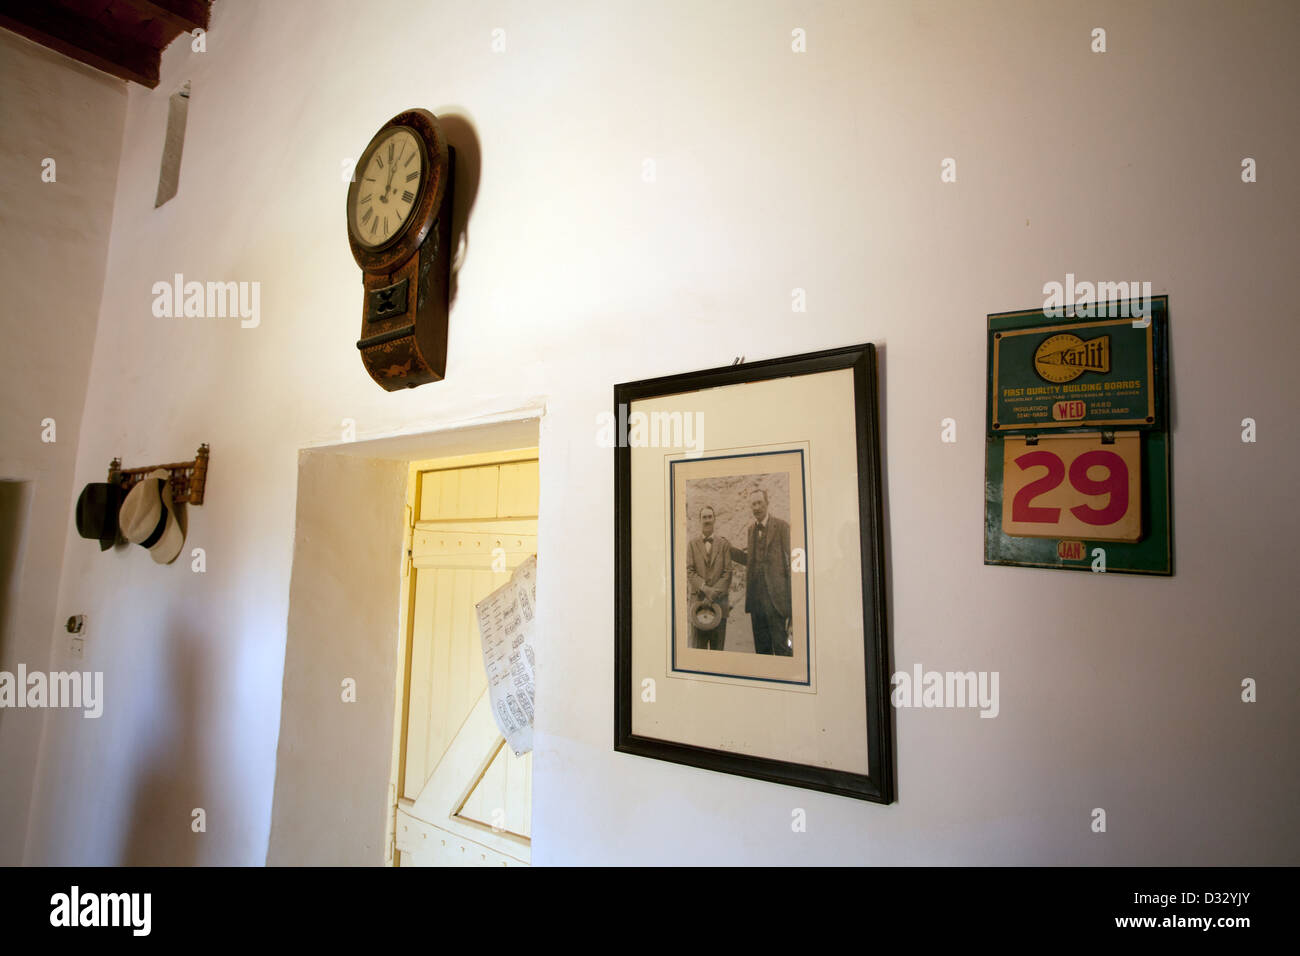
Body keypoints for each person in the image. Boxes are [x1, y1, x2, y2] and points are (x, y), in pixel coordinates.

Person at [732, 488, 792, 656]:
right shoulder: (751, 530)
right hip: (756, 602)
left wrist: (792, 603)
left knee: (782, 650)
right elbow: (750, 560)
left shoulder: (781, 526)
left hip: (776, 602)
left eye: (759, 502)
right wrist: (728, 550)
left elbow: (793, 563)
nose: (756, 507)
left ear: (767, 503)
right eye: (753, 504)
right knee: (762, 651)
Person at [686, 505, 732, 650]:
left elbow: (728, 572)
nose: (707, 520)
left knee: (718, 652)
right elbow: (690, 571)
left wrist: (712, 595)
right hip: (698, 605)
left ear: (714, 519)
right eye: (704, 517)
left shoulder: (724, 544)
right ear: (699, 521)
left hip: (719, 606)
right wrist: (705, 588)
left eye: (710, 517)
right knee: (697, 652)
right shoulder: (692, 545)